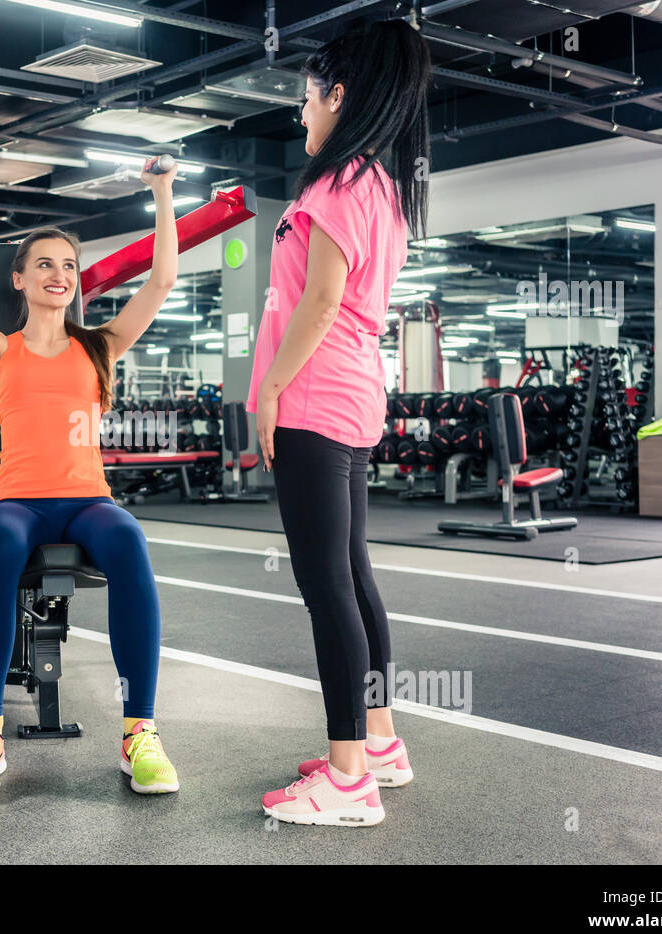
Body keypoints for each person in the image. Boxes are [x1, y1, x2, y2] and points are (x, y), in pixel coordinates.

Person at [0, 149, 182, 796]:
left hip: (88, 500)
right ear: (20, 280)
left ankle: (139, 731)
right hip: (18, 502)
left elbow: (162, 280)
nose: (59, 275)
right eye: (45, 266)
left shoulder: (100, 345)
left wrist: (163, 193)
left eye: (68, 266)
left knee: (130, 540)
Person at [247, 18, 431, 826]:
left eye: (307, 97)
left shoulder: (334, 185)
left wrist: (267, 393)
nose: (302, 114)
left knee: (328, 587)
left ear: (339, 95)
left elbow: (319, 304)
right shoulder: (384, 187)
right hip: (352, 399)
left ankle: (348, 778)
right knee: (353, 575)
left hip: (316, 402)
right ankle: (379, 740)